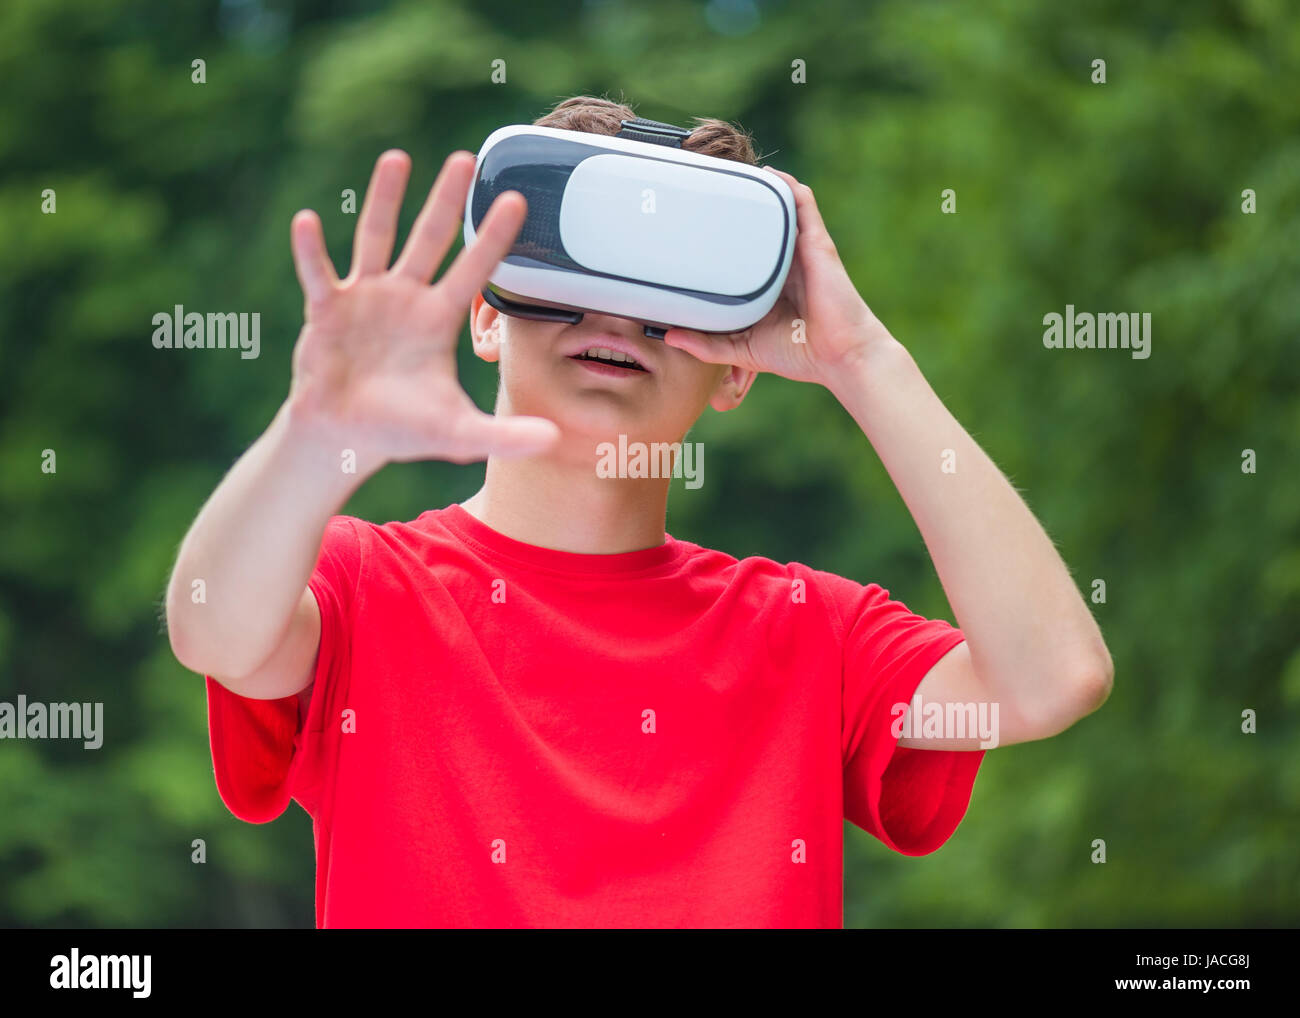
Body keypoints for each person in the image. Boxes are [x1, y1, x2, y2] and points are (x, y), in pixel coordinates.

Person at [165, 95, 1113, 928]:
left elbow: (1049, 680)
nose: (613, 319)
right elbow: (215, 629)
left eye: (664, 295)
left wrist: (860, 359)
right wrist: (312, 434)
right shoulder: (366, 588)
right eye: (567, 278)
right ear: (486, 316)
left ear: (737, 365)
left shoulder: (806, 634)